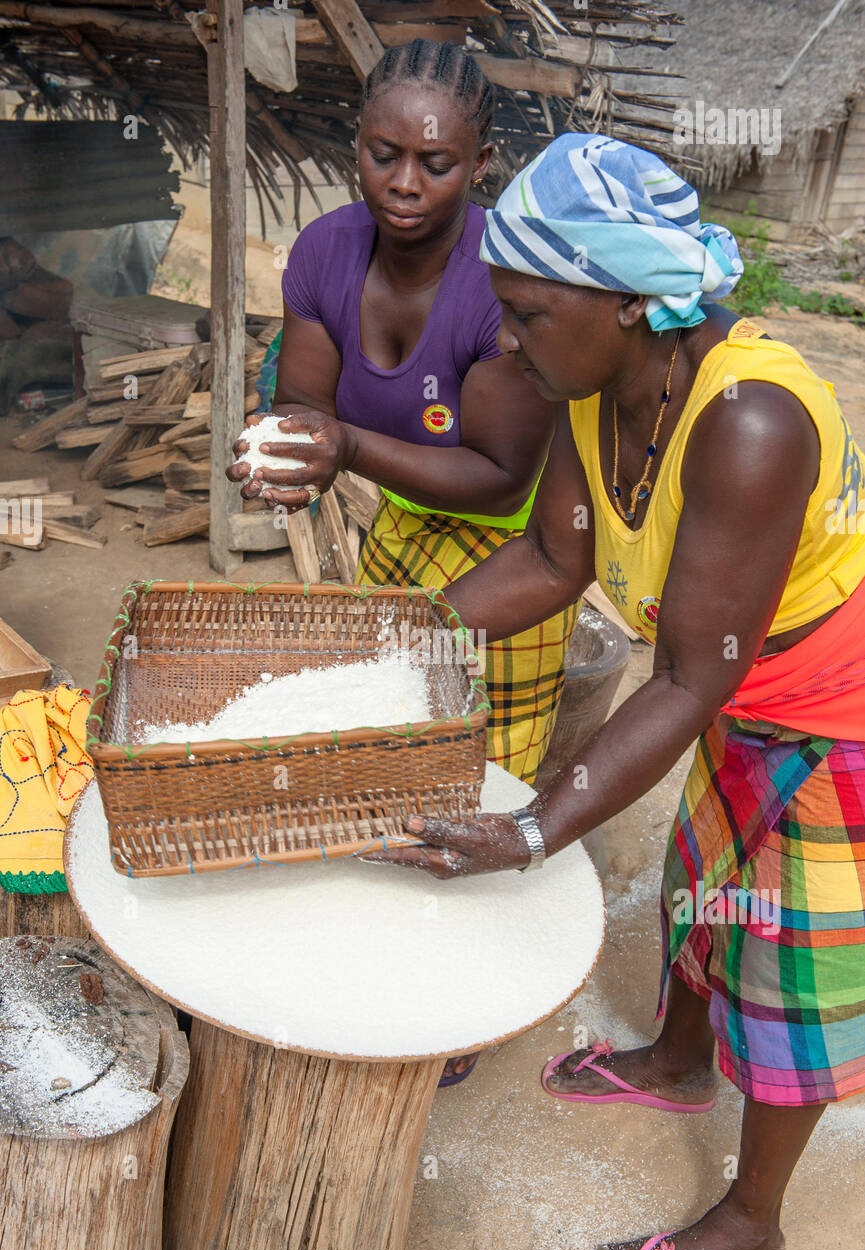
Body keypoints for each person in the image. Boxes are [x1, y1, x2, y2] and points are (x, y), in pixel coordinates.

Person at [363, 132, 865, 1250]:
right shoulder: (590, 391)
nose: (502, 338)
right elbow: (550, 556)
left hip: (831, 720)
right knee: (699, 876)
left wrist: (535, 827)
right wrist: (403, 634)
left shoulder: (751, 422)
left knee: (783, 963)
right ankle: (681, 1062)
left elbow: (688, 683)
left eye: (529, 312)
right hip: (730, 681)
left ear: (632, 305)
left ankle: (750, 1225)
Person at [227, 40, 580, 1085]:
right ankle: (388, 961)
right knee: (385, 740)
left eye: (436, 164)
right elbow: (305, 406)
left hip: (513, 545)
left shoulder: (497, 285)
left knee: (472, 769)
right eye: (385, 155)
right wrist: (288, 455)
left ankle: (463, 1006)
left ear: (477, 165)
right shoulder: (326, 256)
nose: (407, 184)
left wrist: (346, 448)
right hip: (403, 523)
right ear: (356, 147)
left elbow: (500, 477)